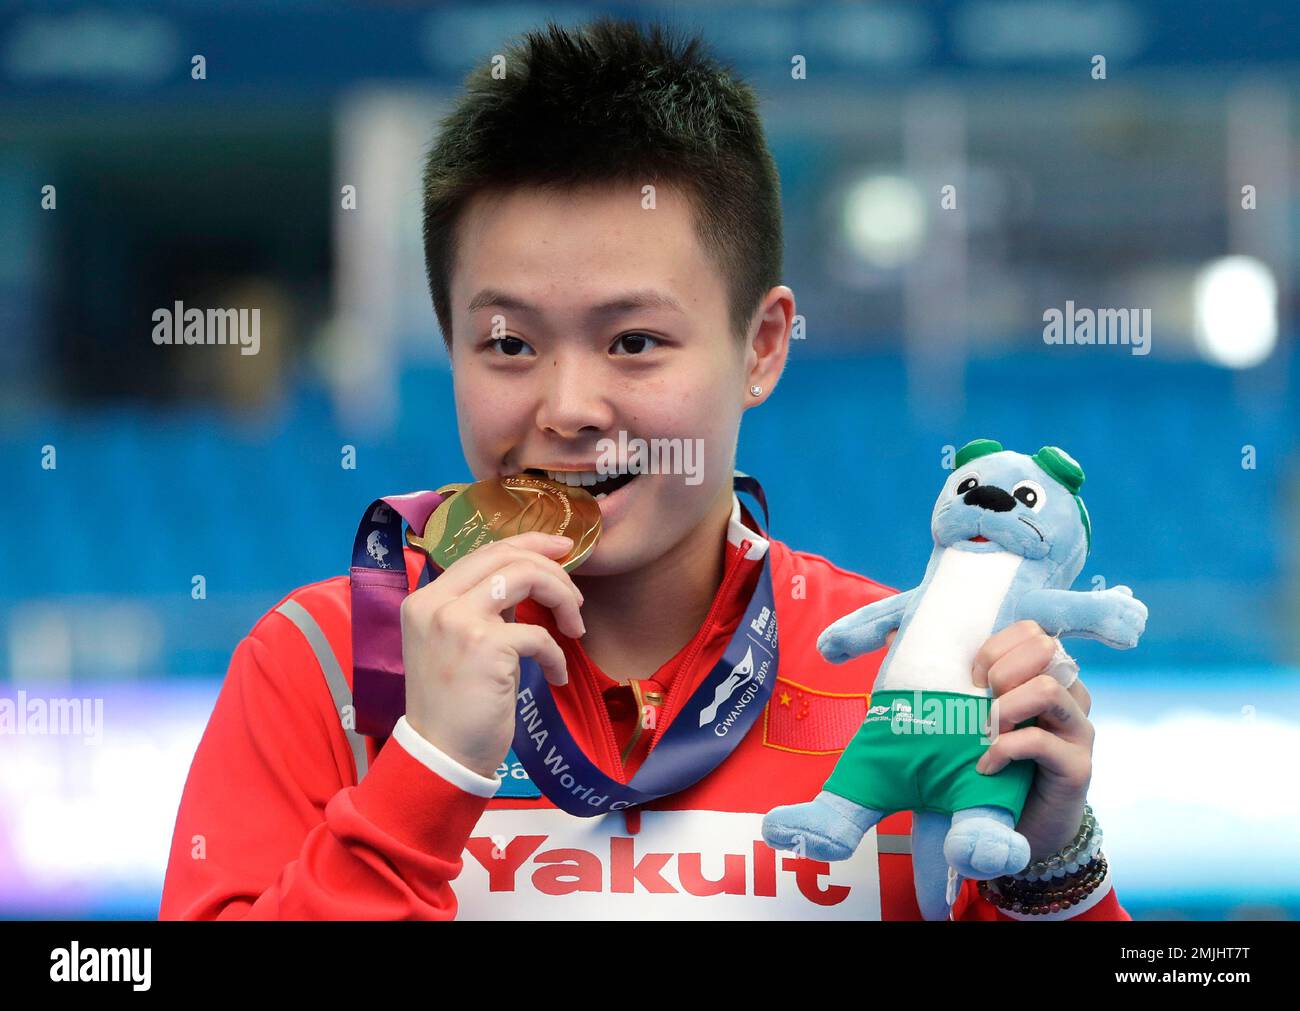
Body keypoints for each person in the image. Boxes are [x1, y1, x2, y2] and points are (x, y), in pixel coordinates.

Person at [159, 17, 1128, 920]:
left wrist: (1054, 875)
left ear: (762, 347)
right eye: (506, 344)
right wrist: (427, 769)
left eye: (632, 341)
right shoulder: (331, 660)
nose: (567, 406)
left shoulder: (897, 671)